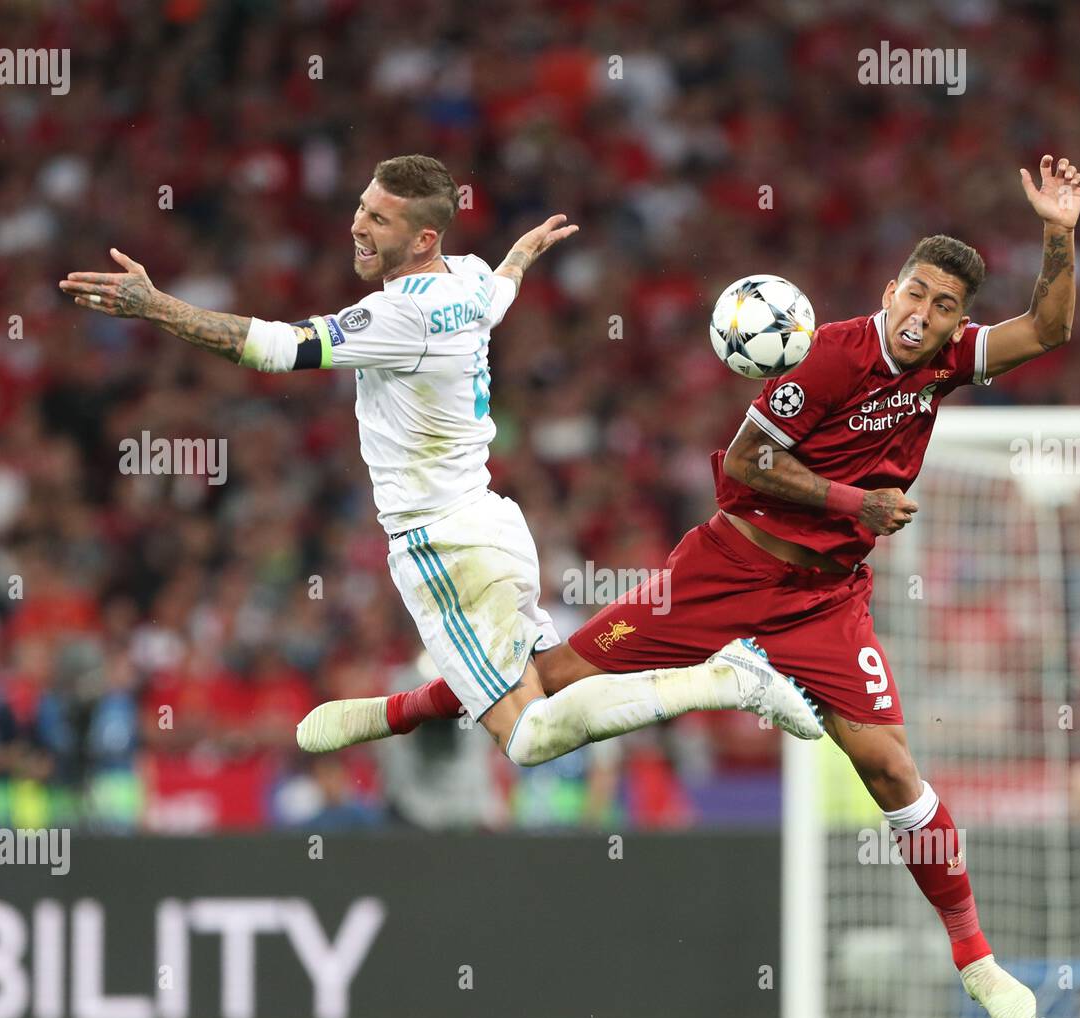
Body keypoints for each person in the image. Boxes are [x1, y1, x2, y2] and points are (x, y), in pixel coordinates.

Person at [316, 155, 1080, 1018]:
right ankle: (410, 707)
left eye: (944, 307)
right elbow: (751, 464)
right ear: (890, 287)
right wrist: (855, 501)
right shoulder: (826, 357)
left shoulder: (945, 362)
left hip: (826, 600)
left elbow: (1048, 331)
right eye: (915, 294)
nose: (923, 317)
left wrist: (1058, 232)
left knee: (891, 772)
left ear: (957, 319)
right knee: (552, 684)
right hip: (726, 570)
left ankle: (975, 958)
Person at [58, 155, 824, 774]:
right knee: (549, 682)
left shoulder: (401, 312)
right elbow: (501, 294)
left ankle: (725, 677)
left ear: (422, 239)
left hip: (443, 546)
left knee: (528, 739)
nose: (357, 225)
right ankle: (405, 711)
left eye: (378, 220)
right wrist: (521, 256)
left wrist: (154, 306)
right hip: (490, 523)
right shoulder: (468, 276)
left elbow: (275, 348)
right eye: (361, 206)